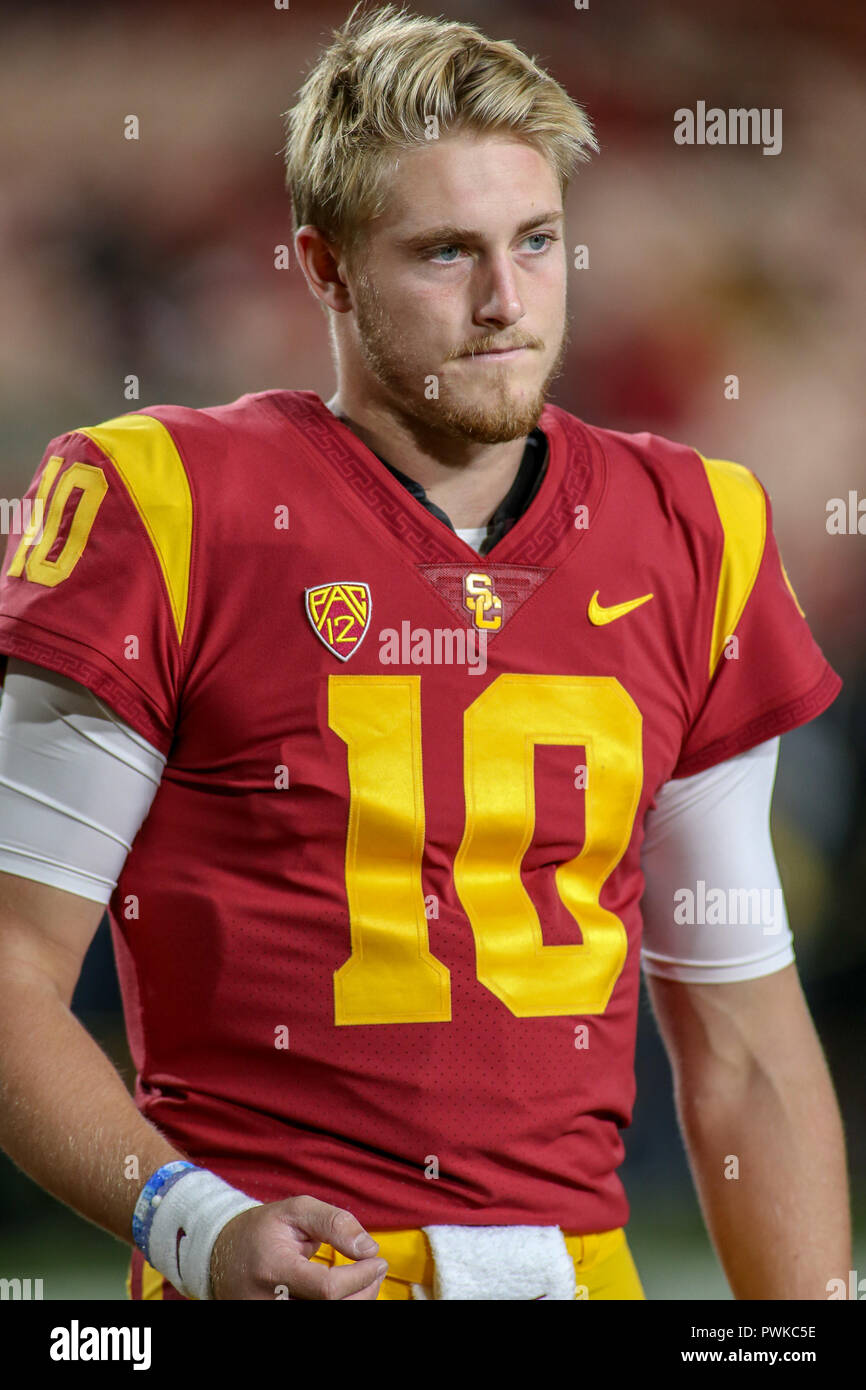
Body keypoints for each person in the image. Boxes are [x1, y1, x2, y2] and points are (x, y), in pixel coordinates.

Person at [0, 3, 851, 1301]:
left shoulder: (691, 528)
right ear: (325, 264)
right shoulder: (166, 501)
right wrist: (197, 1223)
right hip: (285, 1270)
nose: (507, 301)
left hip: (576, 1275)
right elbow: (10, 965)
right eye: (445, 252)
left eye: (537, 241)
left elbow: (740, 1033)